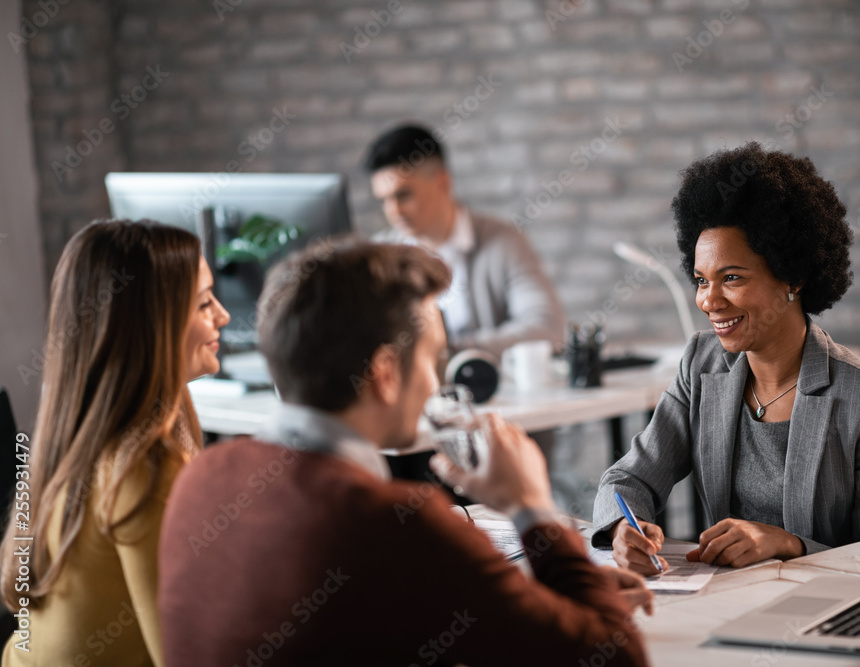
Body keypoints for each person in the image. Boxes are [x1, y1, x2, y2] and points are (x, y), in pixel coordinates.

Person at [157, 239, 651, 666]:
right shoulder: (391, 524)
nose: (436, 383)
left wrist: (564, 599)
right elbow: (617, 658)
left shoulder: (201, 478)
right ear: (386, 372)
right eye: (432, 359)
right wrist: (532, 506)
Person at [593, 142, 860, 572]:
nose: (709, 301)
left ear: (794, 278)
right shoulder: (702, 365)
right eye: (700, 280)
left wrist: (790, 545)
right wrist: (624, 527)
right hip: (724, 601)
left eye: (731, 278)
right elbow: (628, 478)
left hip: (823, 612)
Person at [0, 220, 230, 666]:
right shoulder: (143, 467)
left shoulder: (71, 440)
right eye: (204, 302)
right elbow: (186, 656)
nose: (221, 315)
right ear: (153, 325)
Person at [366, 124, 566, 359]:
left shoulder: (503, 242)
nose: (393, 211)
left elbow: (548, 328)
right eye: (384, 200)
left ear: (442, 183)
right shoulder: (381, 255)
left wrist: (451, 351)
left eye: (404, 195)